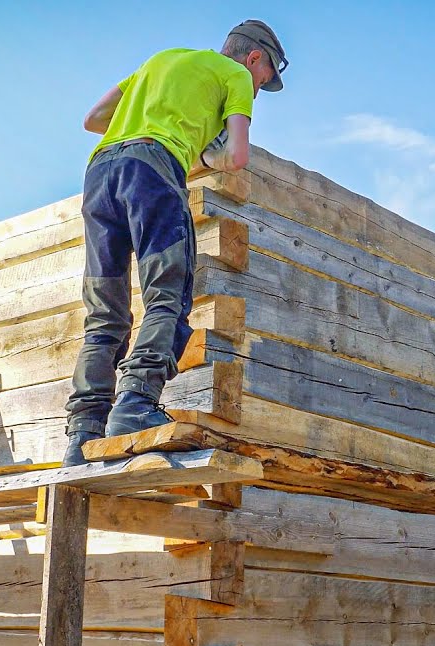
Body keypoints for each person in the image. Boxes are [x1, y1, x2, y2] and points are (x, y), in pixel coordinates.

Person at [61, 20, 287, 467]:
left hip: (100, 174)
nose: (262, 87)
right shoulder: (236, 75)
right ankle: (135, 405)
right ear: (254, 58)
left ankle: (83, 431)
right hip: (153, 171)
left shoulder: (162, 60)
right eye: (267, 77)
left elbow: (93, 121)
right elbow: (237, 157)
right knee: (167, 295)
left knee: (104, 312)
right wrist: (202, 152)